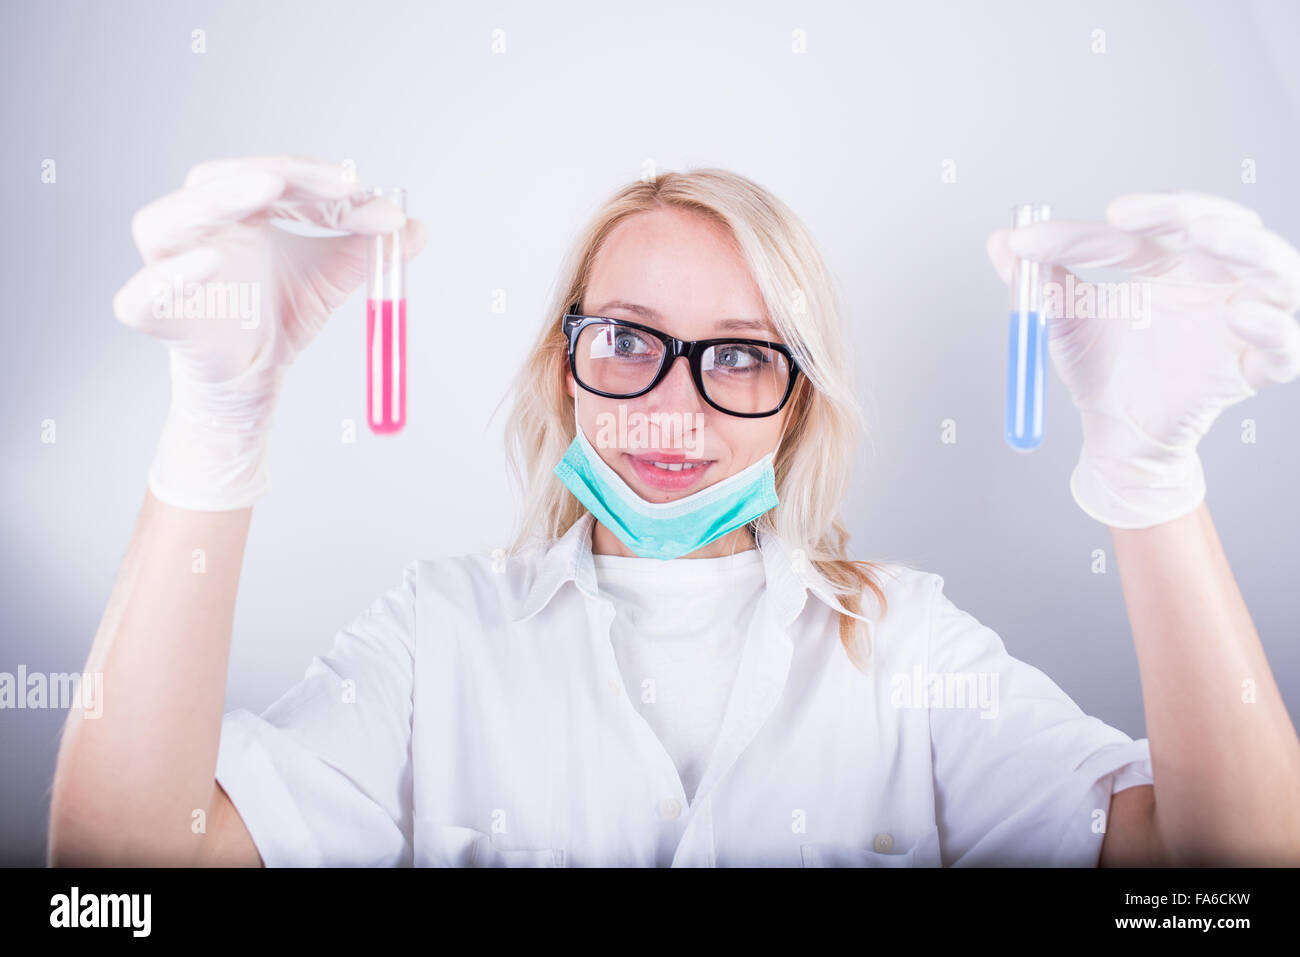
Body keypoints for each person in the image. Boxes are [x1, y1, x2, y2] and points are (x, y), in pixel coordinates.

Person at [48, 156, 1300, 867]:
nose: (671, 406)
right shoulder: (437, 636)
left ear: (799, 402)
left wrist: (1150, 480)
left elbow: (1218, 879)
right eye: (626, 340)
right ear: (563, 366)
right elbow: (120, 885)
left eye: (740, 355)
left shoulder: (908, 646)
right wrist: (217, 427)